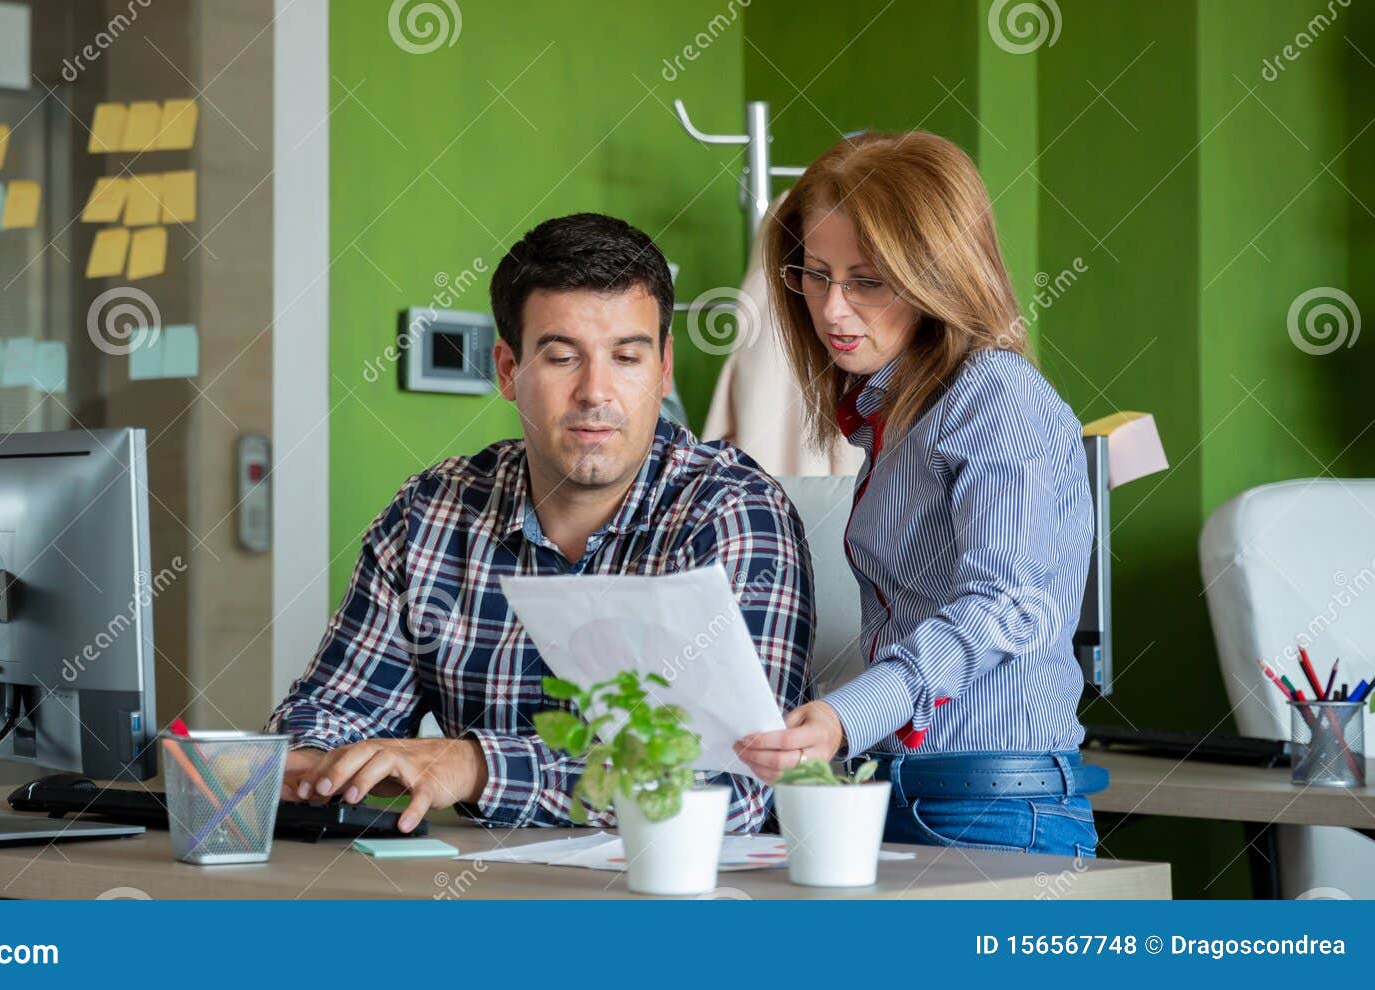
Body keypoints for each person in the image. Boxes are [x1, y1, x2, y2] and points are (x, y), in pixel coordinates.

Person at [267, 212, 815, 833]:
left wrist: (475, 766)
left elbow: (735, 785)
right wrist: (312, 761)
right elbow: (341, 705)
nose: (595, 392)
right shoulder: (432, 510)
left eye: (627, 357)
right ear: (508, 370)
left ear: (663, 368)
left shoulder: (731, 513)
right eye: (561, 357)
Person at [733, 132, 1104, 857]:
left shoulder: (995, 397)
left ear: (939, 274)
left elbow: (1007, 607)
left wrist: (848, 716)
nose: (833, 310)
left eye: (868, 281)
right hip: (908, 789)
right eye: (815, 274)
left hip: (995, 805)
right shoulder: (895, 415)